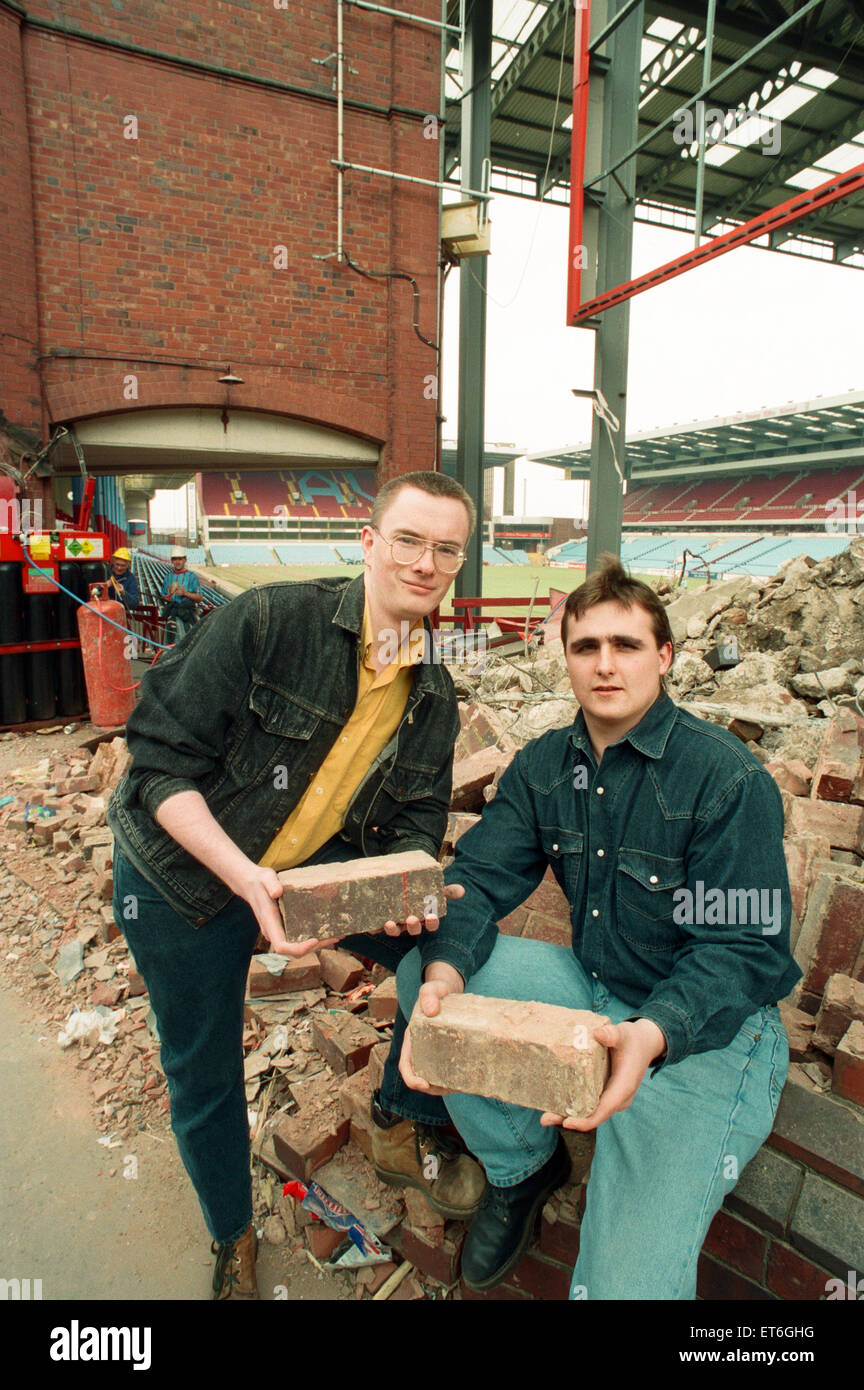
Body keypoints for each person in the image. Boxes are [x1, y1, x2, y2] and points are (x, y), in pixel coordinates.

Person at [106, 471, 485, 1299]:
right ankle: (232, 1234)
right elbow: (157, 765)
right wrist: (247, 882)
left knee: (452, 942)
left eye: (446, 549)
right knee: (203, 1072)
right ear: (371, 544)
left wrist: (405, 887)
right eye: (410, 541)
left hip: (298, 871)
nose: (426, 564)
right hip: (185, 879)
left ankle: (402, 1115)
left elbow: (417, 819)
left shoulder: (434, 695)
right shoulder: (274, 621)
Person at [394, 555, 801, 1300]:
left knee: (621, 1288)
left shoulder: (724, 778)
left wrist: (649, 1036)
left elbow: (743, 951)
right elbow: (480, 880)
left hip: (702, 1035)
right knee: (426, 978)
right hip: (595, 988)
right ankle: (521, 1168)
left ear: (665, 656)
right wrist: (449, 971)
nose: (605, 665)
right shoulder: (547, 765)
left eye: (627, 645)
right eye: (587, 647)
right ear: (567, 658)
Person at [159, 546, 202, 638]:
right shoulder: (168, 577)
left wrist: (185, 593)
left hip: (188, 615)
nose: (177, 562)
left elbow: (199, 598)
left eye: (180, 559)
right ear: (171, 560)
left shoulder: (192, 577)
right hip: (172, 614)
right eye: (174, 559)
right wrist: (166, 598)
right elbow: (163, 595)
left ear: (185, 560)